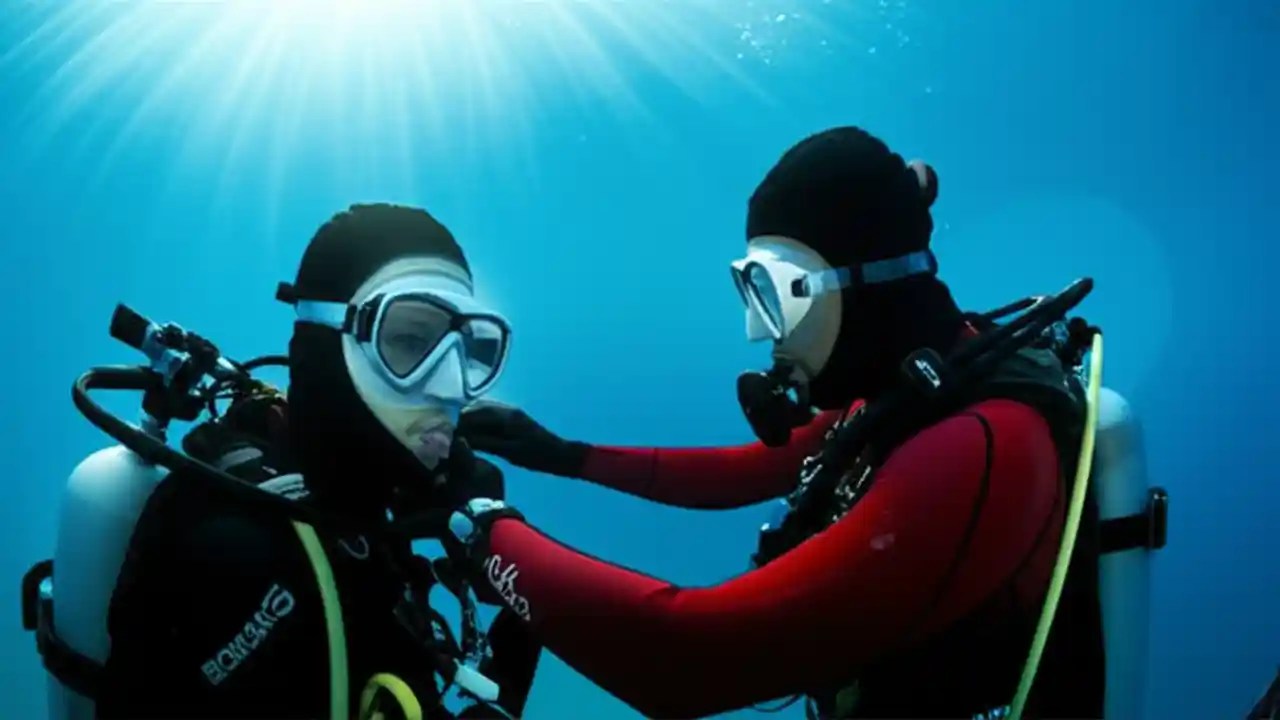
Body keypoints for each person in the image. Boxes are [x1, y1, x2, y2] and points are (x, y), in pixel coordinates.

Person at [443, 127, 1161, 719]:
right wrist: (562, 453)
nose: (761, 336)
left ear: (859, 280)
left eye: (772, 295)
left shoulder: (980, 446)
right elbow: (751, 470)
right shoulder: (917, 386)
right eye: (748, 294)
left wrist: (482, 531)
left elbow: (682, 662)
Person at [42, 203, 539, 720]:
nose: (452, 385)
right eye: (411, 340)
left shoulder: (352, 492)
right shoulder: (243, 559)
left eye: (469, 350)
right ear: (327, 346)